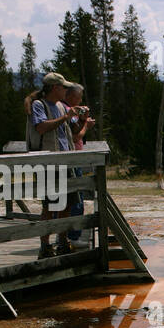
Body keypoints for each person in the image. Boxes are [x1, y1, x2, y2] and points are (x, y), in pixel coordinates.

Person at [24, 72, 79, 258]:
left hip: (65, 161)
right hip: (48, 163)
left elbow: (72, 127)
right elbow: (41, 127)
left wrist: (81, 116)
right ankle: (45, 246)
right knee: (49, 206)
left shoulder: (62, 107)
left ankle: (62, 241)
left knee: (68, 204)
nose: (66, 90)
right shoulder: (39, 105)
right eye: (64, 87)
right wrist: (65, 118)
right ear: (55, 88)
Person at [62, 82, 95, 247]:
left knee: (71, 200)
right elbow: (75, 138)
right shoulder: (67, 111)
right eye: (79, 97)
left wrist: (82, 120)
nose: (80, 100)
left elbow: (77, 133)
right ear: (71, 96)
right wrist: (86, 126)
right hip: (71, 159)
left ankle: (67, 237)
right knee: (75, 200)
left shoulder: (70, 112)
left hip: (74, 158)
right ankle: (72, 238)